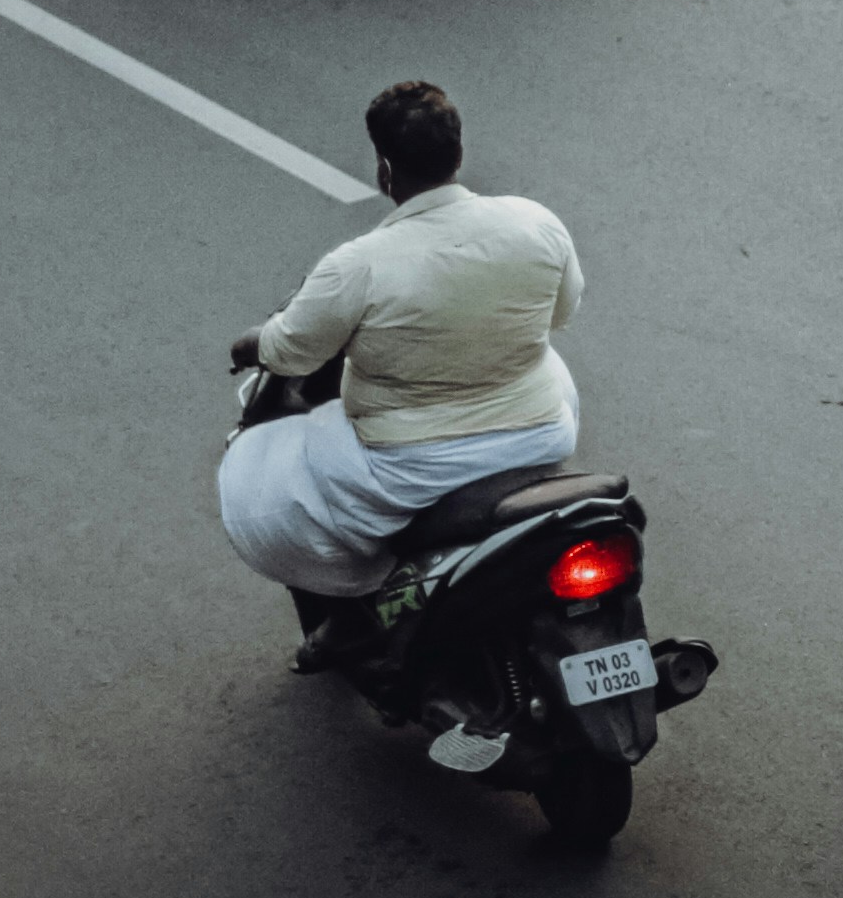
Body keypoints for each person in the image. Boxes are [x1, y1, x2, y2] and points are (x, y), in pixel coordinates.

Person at [217, 77, 583, 657]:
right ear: (458, 153)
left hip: (414, 466)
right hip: (541, 437)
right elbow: (560, 313)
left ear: (385, 169)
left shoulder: (359, 265)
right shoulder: (536, 222)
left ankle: (356, 612)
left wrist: (248, 344)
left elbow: (289, 352)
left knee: (269, 469)